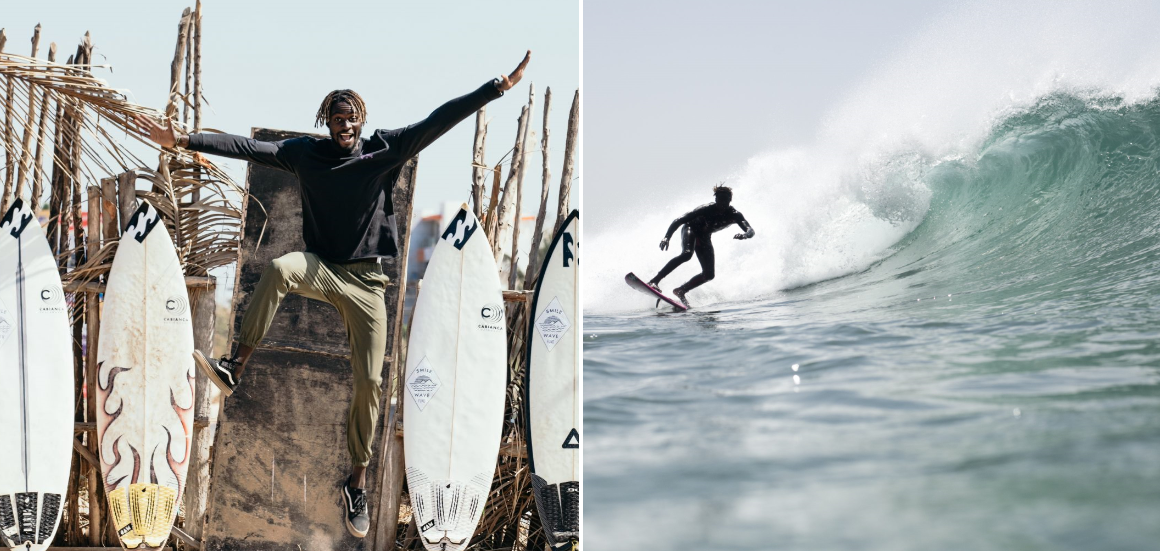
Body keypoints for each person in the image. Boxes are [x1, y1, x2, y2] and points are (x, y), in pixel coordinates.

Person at [133, 51, 530, 538]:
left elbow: (439, 120)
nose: (346, 125)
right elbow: (246, 146)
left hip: (367, 283)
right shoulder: (306, 154)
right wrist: (181, 140)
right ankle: (234, 366)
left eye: (352, 117)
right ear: (328, 121)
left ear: (362, 118)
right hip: (321, 269)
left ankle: (356, 483)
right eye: (338, 119)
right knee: (280, 268)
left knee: (370, 382)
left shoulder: (385, 148)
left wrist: (496, 87)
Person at [648, 184, 754, 307]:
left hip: (704, 236)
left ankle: (681, 290)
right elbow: (679, 220)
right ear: (716, 199)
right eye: (720, 199)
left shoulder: (734, 214)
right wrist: (667, 237)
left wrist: (745, 235)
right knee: (687, 254)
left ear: (730, 200)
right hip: (691, 228)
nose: (722, 203)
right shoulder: (706, 209)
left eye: (725, 200)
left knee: (709, 275)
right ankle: (654, 281)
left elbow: (750, 230)